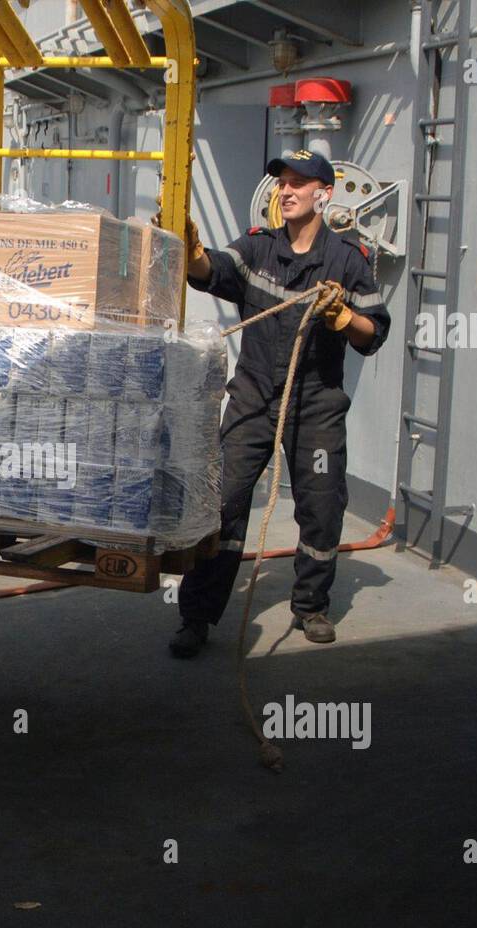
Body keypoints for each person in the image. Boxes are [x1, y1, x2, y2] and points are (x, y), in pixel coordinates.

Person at [169, 150, 391, 657]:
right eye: (280, 183)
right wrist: (191, 248)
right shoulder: (257, 247)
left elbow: (373, 334)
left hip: (315, 406)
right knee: (221, 505)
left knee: (322, 505)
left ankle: (311, 605)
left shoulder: (348, 261)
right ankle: (197, 617)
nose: (285, 191)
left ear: (324, 194)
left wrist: (342, 317)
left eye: (297, 183)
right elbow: (211, 272)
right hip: (252, 398)